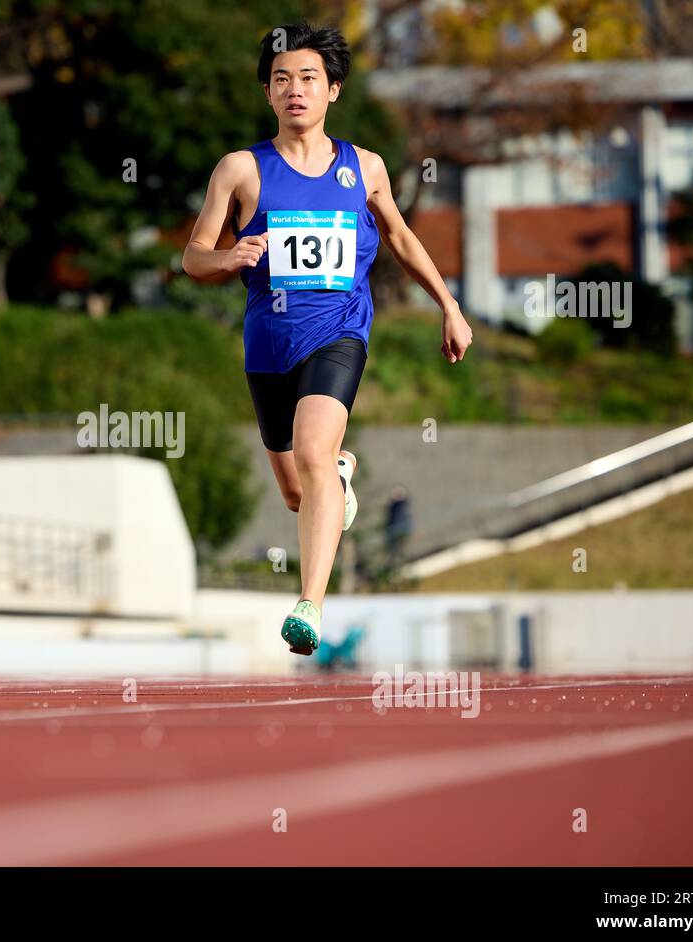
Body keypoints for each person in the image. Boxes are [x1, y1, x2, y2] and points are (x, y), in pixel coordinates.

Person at [181, 21, 472, 655]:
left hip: (339, 333)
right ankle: (337, 476)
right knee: (297, 490)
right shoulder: (239, 171)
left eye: (309, 79)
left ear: (332, 90)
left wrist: (448, 305)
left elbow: (398, 238)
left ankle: (310, 604)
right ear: (267, 92)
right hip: (267, 343)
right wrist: (229, 258)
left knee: (312, 456)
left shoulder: (363, 168)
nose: (295, 90)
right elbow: (193, 257)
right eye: (281, 79)